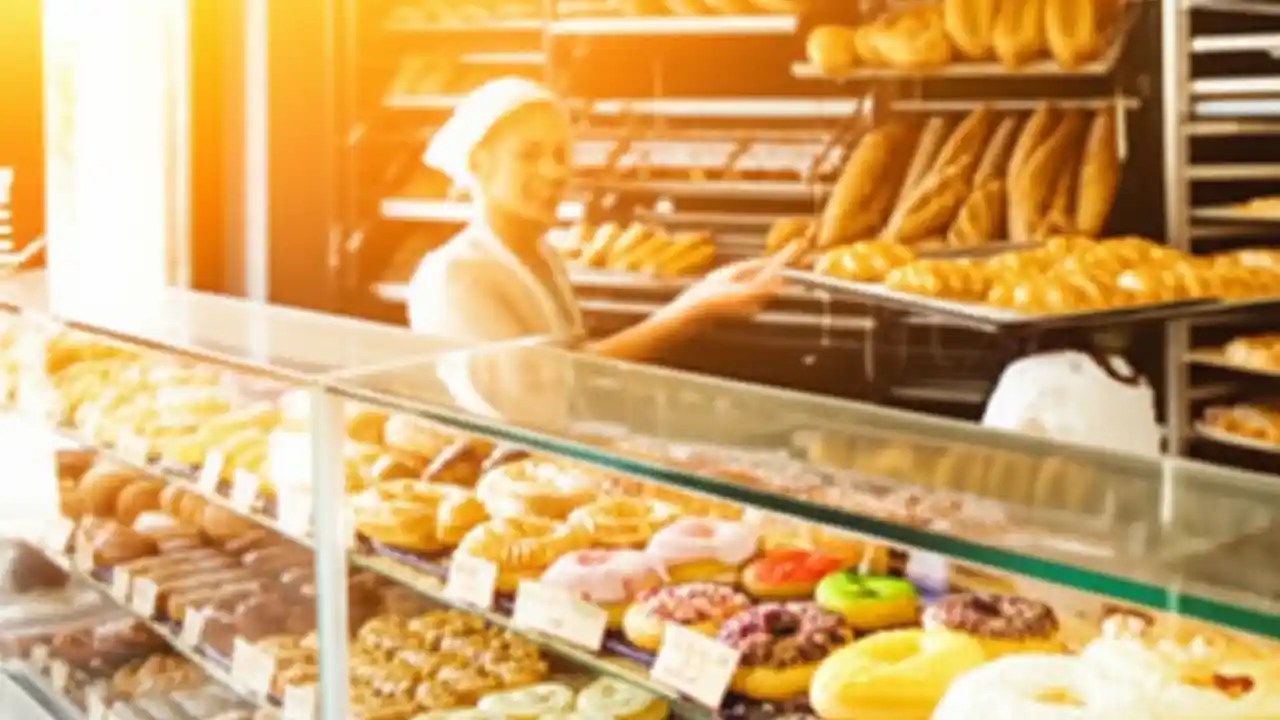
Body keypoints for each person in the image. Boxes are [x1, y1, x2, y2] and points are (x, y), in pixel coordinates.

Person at [407, 77, 786, 361]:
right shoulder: (456, 275)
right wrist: (691, 311)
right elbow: (551, 392)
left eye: (560, 154)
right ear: (477, 164)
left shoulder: (541, 256)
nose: (553, 172)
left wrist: (700, 298)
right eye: (528, 154)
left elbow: (573, 368)